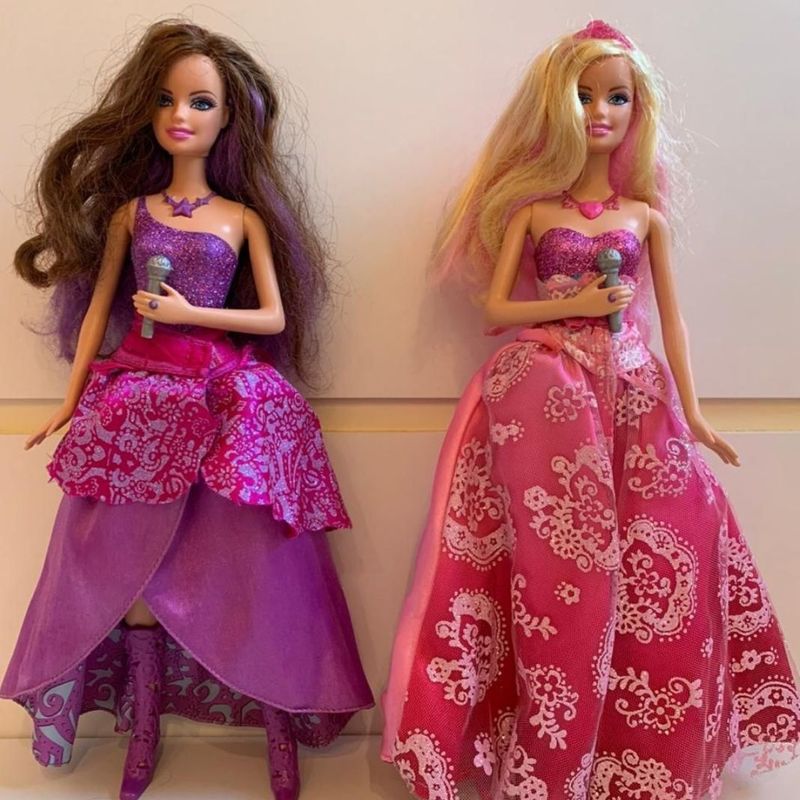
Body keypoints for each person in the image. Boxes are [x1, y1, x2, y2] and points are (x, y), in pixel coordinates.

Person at [382, 20, 799, 800]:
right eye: (584, 95)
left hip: (637, 397)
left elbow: (672, 319)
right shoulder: (534, 214)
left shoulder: (644, 217)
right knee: (558, 574)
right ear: (556, 106)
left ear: (638, 110)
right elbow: (498, 310)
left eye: (617, 97)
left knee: (657, 558)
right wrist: (575, 306)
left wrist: (695, 414)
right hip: (549, 397)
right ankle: (552, 745)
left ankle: (636, 751)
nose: (600, 111)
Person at [1, 20, 372, 800]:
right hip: (140, 395)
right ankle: (144, 730)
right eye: (167, 100)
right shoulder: (130, 216)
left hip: (226, 391)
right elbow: (98, 311)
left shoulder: (243, 219)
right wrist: (68, 402)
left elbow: (270, 317)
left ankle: (277, 726)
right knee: (127, 571)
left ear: (228, 116)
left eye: (201, 102)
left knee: (258, 565)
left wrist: (188, 314)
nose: (181, 116)